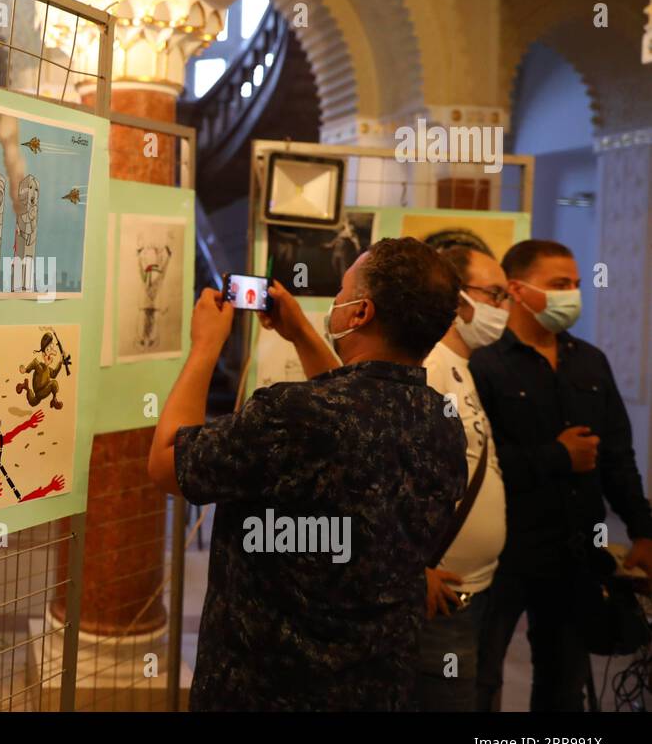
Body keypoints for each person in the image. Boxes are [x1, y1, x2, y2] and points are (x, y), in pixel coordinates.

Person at [147, 237, 467, 710]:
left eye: (342, 291)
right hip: (377, 686)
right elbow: (354, 411)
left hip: (265, 688)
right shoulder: (441, 421)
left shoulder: (291, 414)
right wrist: (299, 333)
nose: (336, 300)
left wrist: (205, 347)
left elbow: (170, 464)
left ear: (360, 313)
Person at [470, 239, 652, 711]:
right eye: (559, 285)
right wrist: (555, 456)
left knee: (562, 684)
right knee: (479, 676)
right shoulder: (483, 363)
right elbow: (474, 463)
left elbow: (617, 455)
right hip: (504, 556)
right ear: (518, 289)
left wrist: (643, 529)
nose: (572, 294)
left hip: (575, 552)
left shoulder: (590, 361)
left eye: (575, 284)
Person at [416, 246, 509, 711]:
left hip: (472, 590)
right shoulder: (430, 366)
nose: (503, 309)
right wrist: (414, 568)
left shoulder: (461, 366)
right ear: (457, 298)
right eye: (495, 294)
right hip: (439, 598)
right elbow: (389, 474)